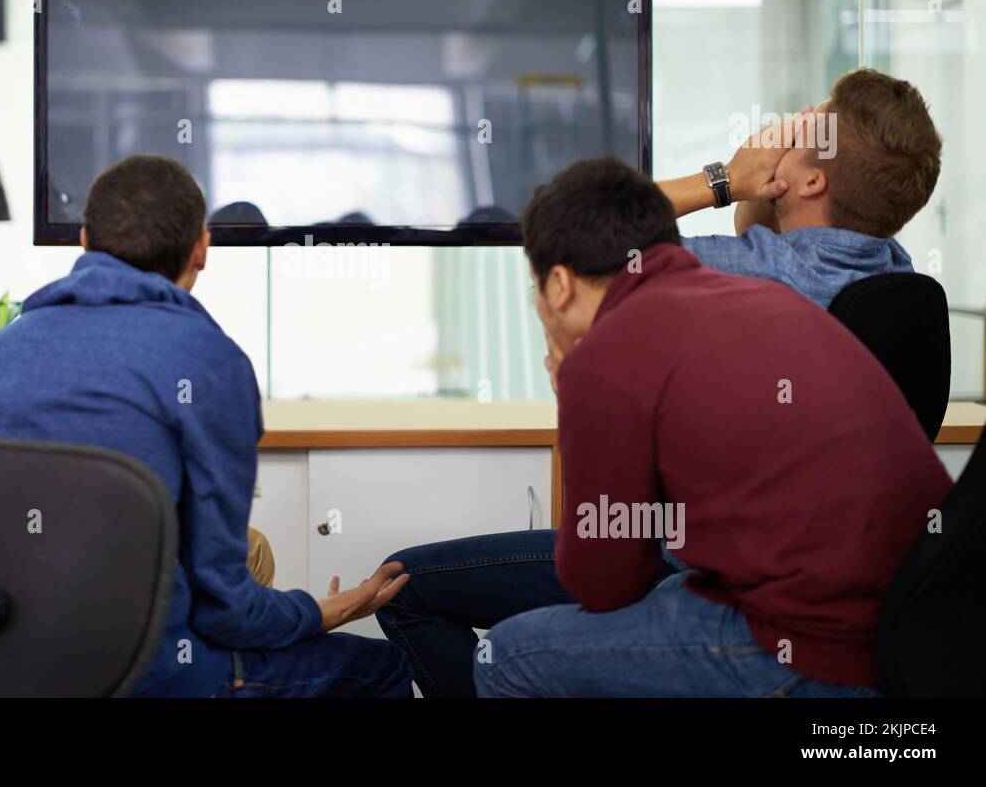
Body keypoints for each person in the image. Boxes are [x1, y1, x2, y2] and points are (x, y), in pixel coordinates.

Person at [377, 69, 945, 697]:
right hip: (901, 611)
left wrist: (727, 180)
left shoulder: (732, 281)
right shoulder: (893, 278)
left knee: (499, 657)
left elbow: (591, 230)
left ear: (560, 285)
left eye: (808, 126)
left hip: (787, 624)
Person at [0, 155, 413, 697]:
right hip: (141, 672)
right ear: (201, 248)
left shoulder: (2, 354)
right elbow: (226, 613)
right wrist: (321, 611)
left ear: (83, 242)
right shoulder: (210, 362)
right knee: (383, 668)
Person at [483, 158, 945, 695]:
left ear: (558, 285)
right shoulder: (767, 296)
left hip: (824, 651)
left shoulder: (605, 359)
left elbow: (603, 585)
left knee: (504, 656)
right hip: (926, 622)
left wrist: (574, 399)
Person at [659, 67, 942, 309]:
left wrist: (728, 179)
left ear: (812, 182)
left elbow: (617, 237)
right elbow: (763, 232)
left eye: (797, 135)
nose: (781, 139)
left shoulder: (763, 269)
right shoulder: (893, 264)